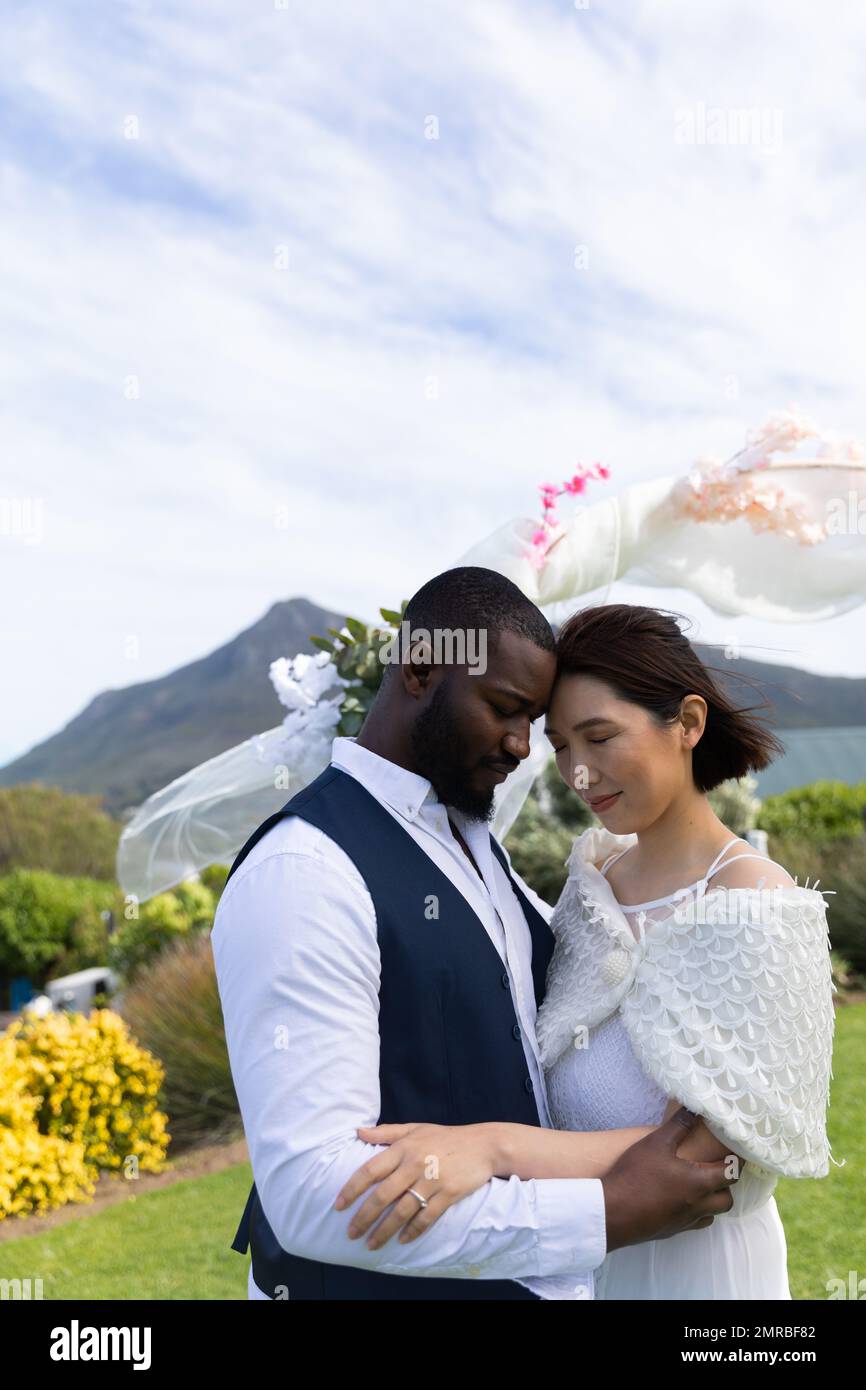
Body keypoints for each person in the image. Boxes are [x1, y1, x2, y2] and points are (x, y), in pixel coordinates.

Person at [212, 571, 739, 1301]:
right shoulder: (304, 872)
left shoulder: (474, 842)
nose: (523, 746)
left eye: (536, 724)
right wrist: (606, 1211)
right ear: (422, 669)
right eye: (504, 709)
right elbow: (312, 1194)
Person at [336, 602, 837, 1300]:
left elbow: (709, 1160)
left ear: (688, 724)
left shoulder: (752, 901)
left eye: (600, 738)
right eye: (562, 746)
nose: (579, 773)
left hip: (705, 1276)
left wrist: (490, 1146)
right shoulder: (587, 892)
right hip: (580, 1262)